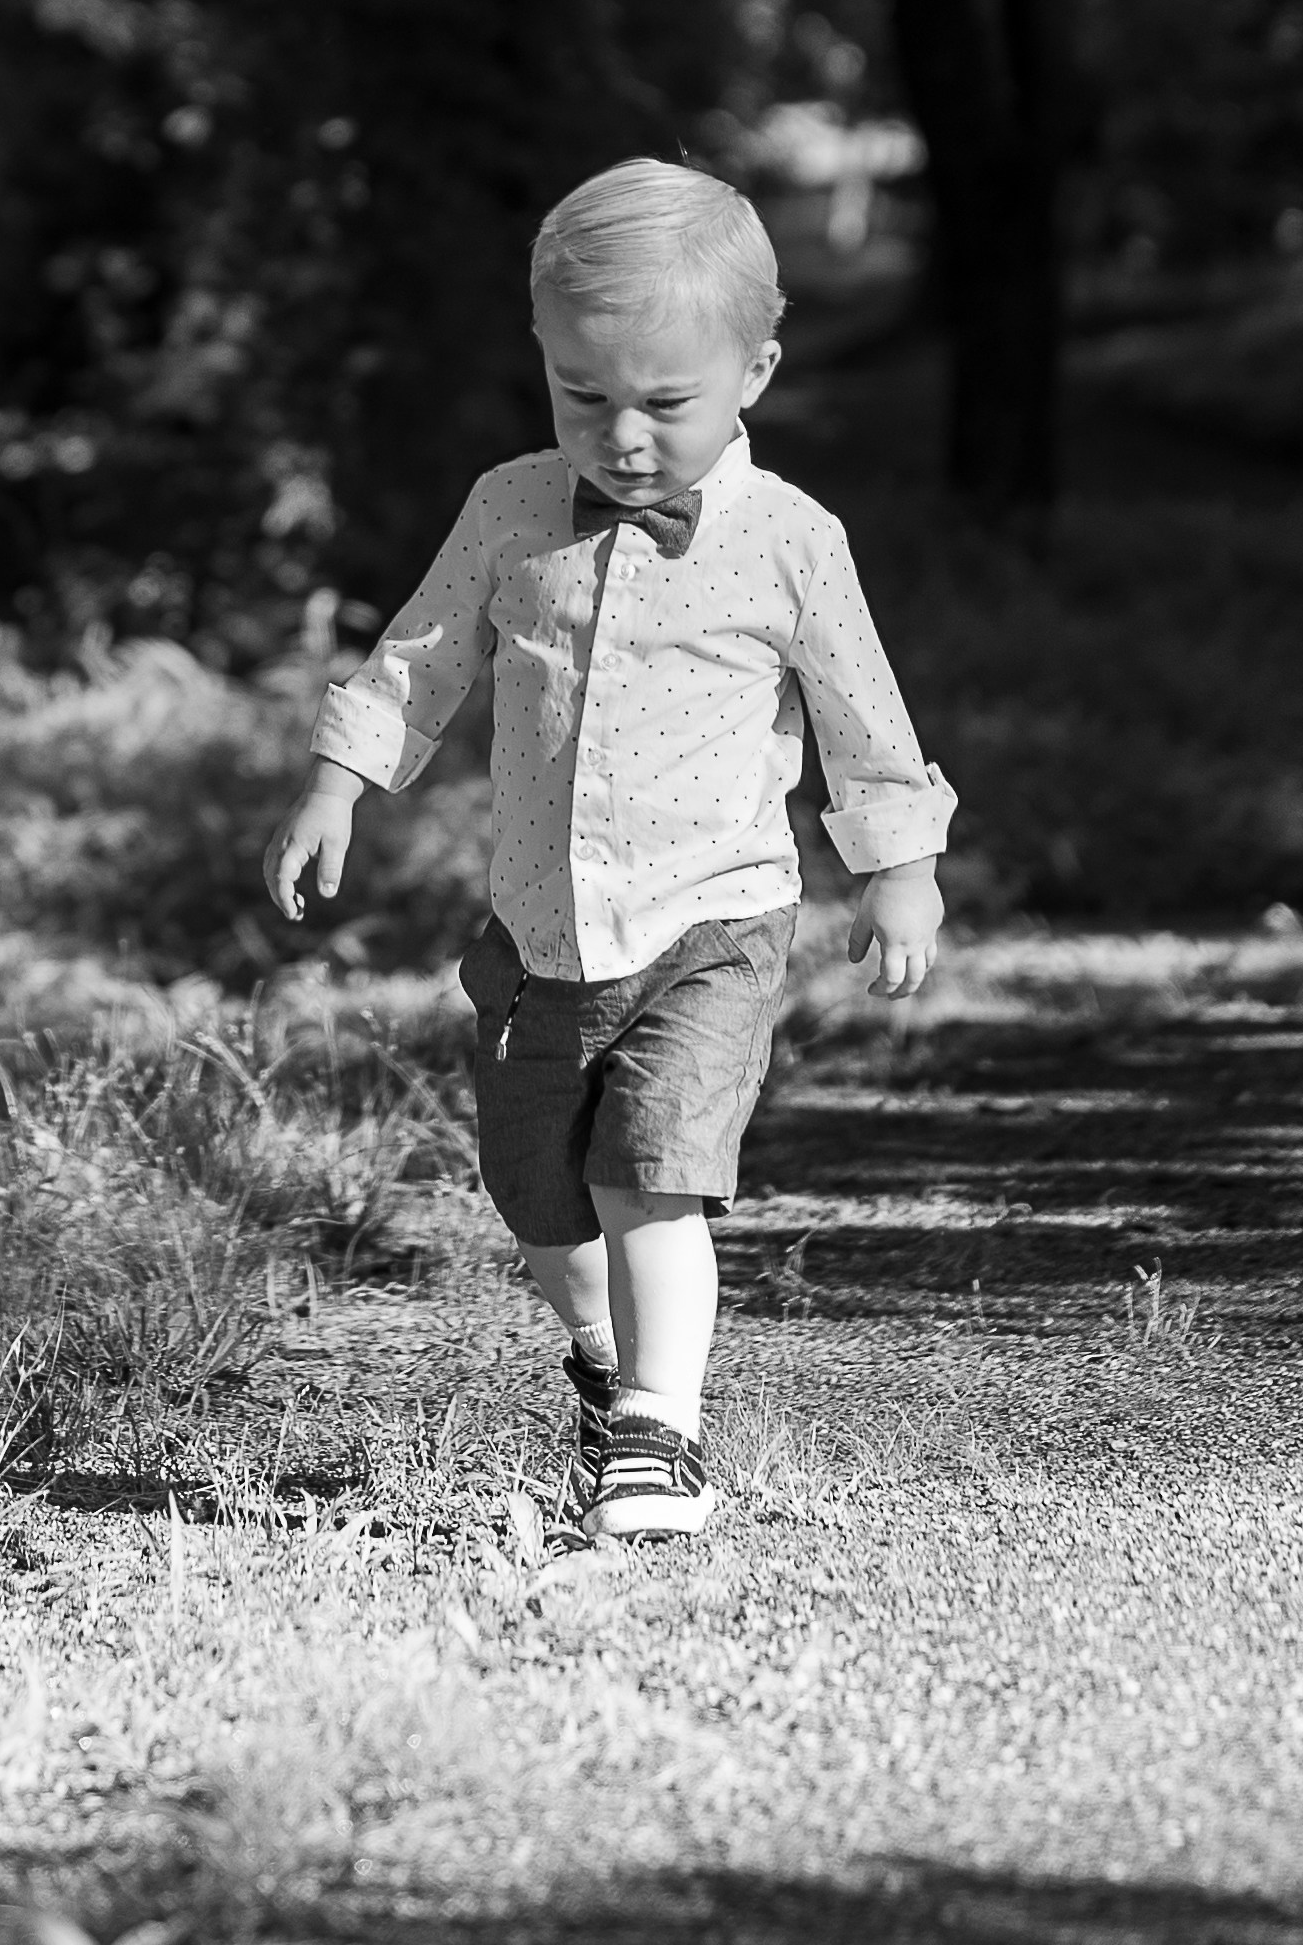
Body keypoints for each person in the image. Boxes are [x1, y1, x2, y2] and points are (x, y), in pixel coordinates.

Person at [263, 158, 957, 1542]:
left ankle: (657, 1434)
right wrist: (341, 778)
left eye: (663, 403)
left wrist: (899, 865)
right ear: (543, 361)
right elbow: (422, 654)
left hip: (715, 920)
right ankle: (600, 1357)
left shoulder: (790, 541)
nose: (624, 437)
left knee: (654, 1172)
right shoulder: (512, 508)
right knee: (542, 1211)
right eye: (585, 397)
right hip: (539, 932)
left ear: (755, 370)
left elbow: (860, 711)